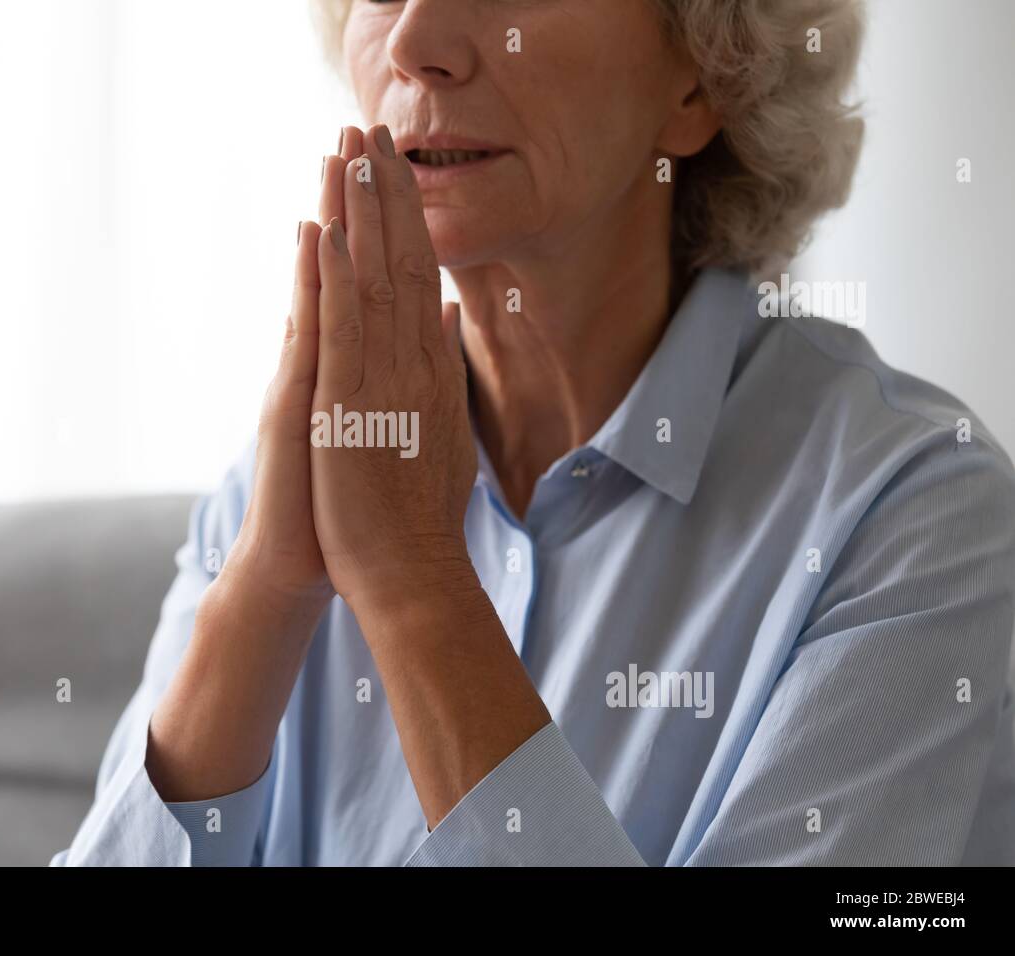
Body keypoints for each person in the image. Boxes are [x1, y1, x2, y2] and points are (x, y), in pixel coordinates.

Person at [54, 0, 1015, 866]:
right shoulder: (284, 489)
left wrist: (413, 580)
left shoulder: (920, 514)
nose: (415, 42)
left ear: (705, 73)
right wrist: (264, 582)